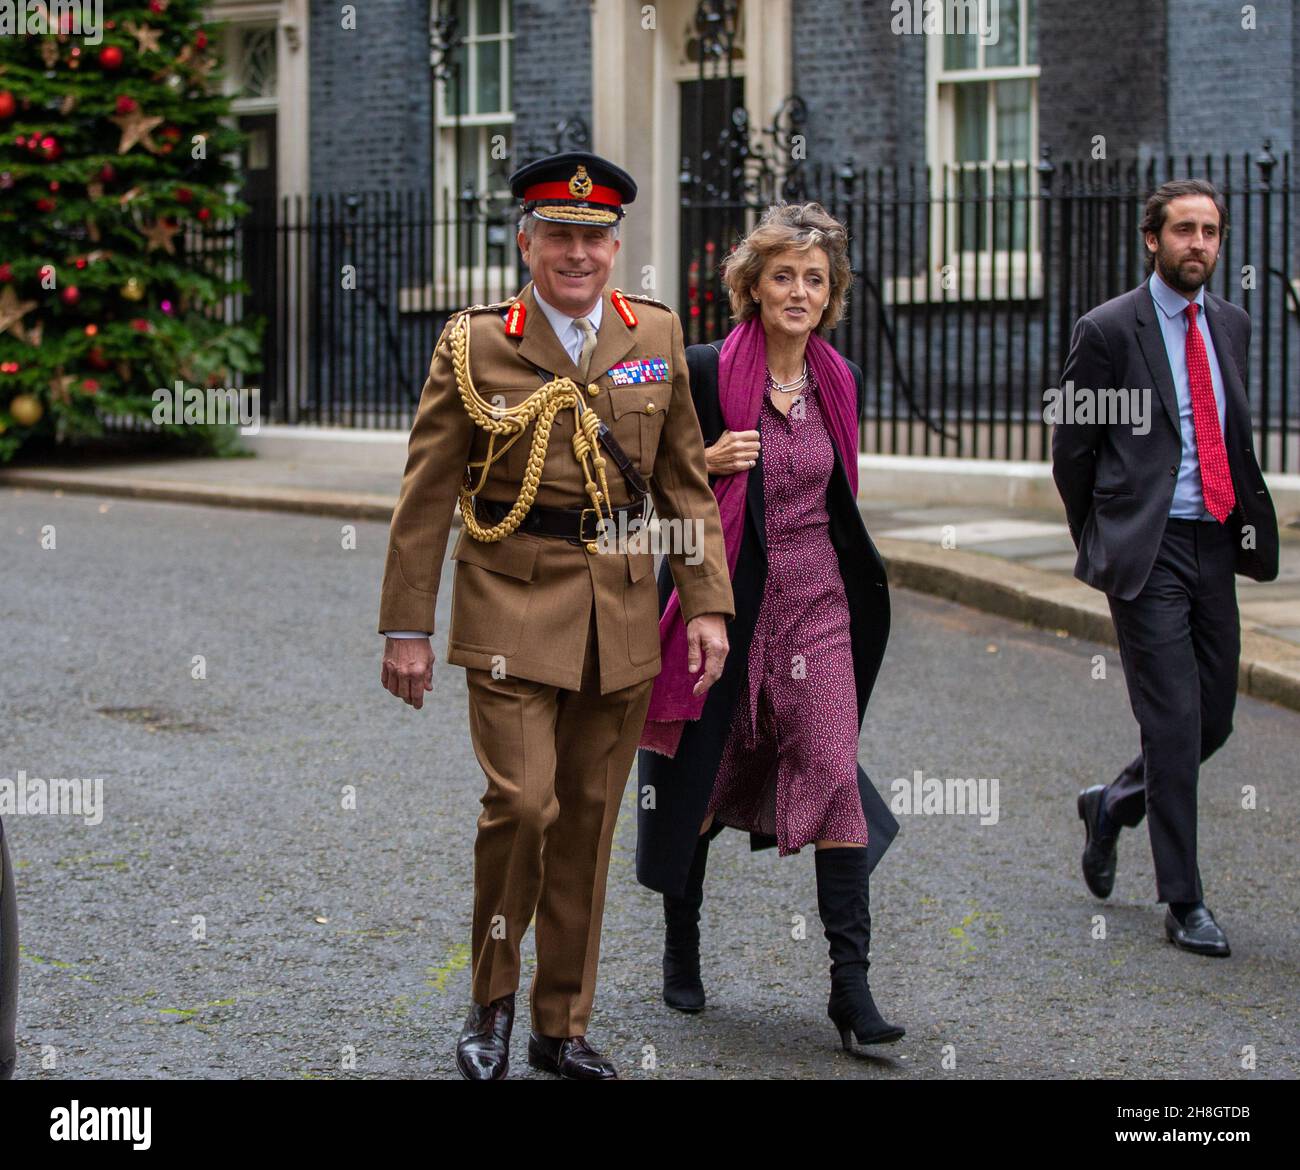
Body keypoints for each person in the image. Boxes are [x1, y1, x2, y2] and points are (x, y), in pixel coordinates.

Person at [377, 151, 734, 1079]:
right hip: (510, 598)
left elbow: (685, 484)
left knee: (587, 819)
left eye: (595, 238)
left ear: (615, 247)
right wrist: (406, 628)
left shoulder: (652, 330)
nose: (577, 254)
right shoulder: (474, 342)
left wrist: (705, 605)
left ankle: (560, 1025)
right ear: (526, 241)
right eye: (559, 236)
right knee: (522, 806)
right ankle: (492, 1003)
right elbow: (424, 497)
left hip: (618, 607)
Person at [635, 202, 903, 1055]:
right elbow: (634, 472)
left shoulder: (840, 380)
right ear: (751, 284)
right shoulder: (706, 369)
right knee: (706, 777)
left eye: (815, 279)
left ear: (832, 296)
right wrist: (700, 461)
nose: (799, 291)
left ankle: (850, 989)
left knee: (830, 765)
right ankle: (683, 941)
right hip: (728, 601)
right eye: (783, 274)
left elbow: (841, 500)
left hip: (818, 602)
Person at [1052, 178, 1279, 957]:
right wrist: (1105, 534)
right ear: (1153, 240)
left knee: (1213, 717)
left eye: (1210, 232)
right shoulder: (1110, 329)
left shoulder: (1233, 324)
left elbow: (1235, 434)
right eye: (1183, 230)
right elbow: (1073, 447)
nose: (1199, 245)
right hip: (1147, 550)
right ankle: (1185, 900)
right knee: (1174, 723)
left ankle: (1111, 805)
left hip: (1215, 541)